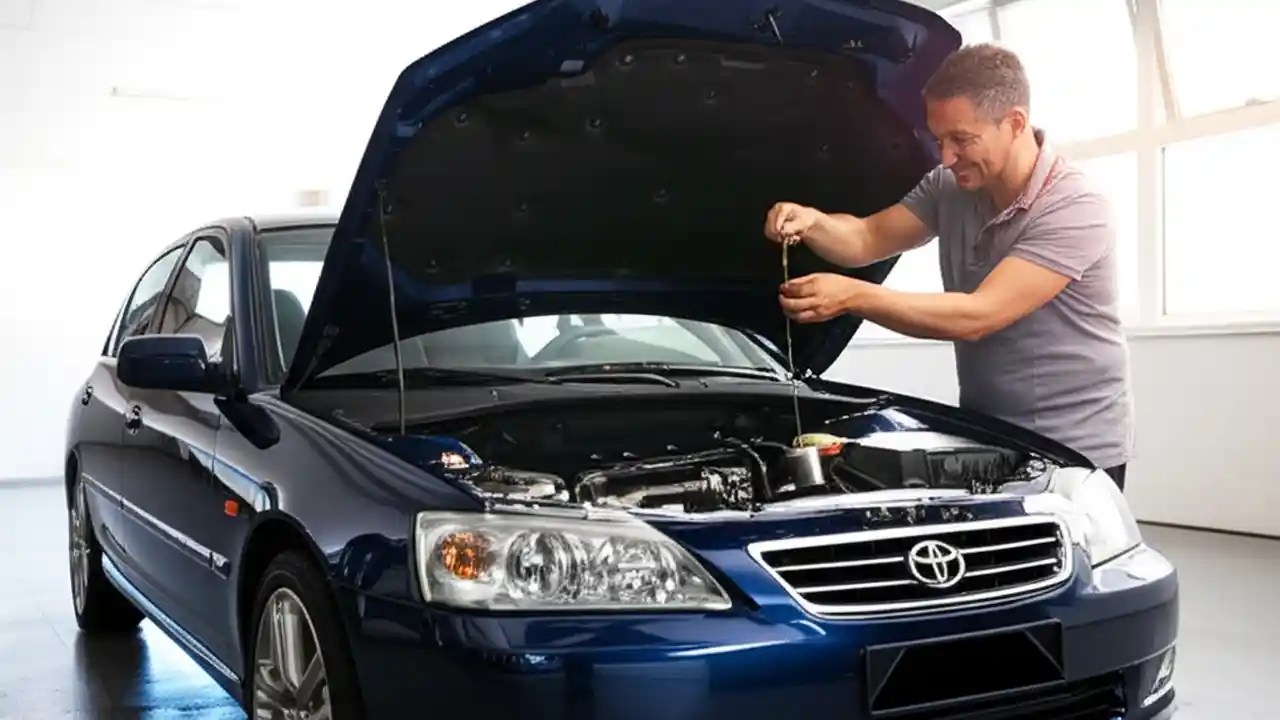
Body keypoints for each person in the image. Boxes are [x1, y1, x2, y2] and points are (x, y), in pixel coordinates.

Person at [763, 43, 1133, 490]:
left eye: (962, 139)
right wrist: (812, 222)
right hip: (986, 431)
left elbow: (980, 315)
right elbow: (867, 238)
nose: (946, 156)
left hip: (1074, 447)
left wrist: (853, 296)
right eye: (939, 139)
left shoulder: (1074, 207)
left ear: (1014, 123)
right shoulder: (950, 186)